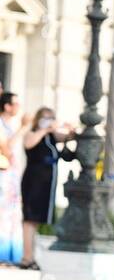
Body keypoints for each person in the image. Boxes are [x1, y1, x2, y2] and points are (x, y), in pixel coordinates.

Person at [19, 107, 76, 270]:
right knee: (30, 219)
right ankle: (26, 257)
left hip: (47, 184)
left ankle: (31, 256)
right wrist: (46, 129)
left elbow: (68, 137)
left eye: (51, 118)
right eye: (45, 118)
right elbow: (29, 143)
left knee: (36, 220)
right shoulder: (33, 133)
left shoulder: (51, 137)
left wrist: (69, 129)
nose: (49, 120)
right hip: (33, 182)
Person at [0, 91, 31, 266]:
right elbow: (6, 147)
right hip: (3, 176)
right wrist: (24, 127)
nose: (19, 108)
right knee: (3, 216)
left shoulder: (10, 125)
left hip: (11, 178)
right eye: (16, 104)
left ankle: (10, 257)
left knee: (13, 216)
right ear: (7, 106)